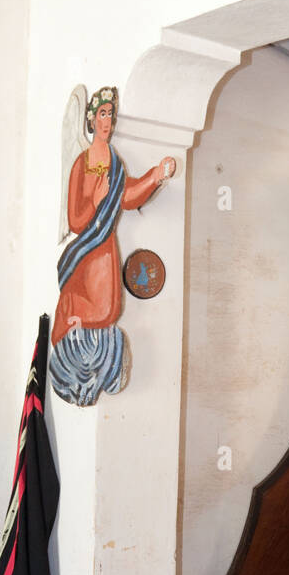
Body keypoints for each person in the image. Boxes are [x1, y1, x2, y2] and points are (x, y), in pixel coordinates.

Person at [49, 87, 176, 405]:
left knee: (108, 309)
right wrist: (94, 200)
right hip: (88, 253)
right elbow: (76, 220)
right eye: (102, 114)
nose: (107, 121)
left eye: (111, 115)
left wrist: (155, 176)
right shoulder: (84, 162)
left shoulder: (113, 162)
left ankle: (99, 368)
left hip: (105, 250)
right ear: (92, 119)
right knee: (89, 309)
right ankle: (77, 368)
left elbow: (127, 196)